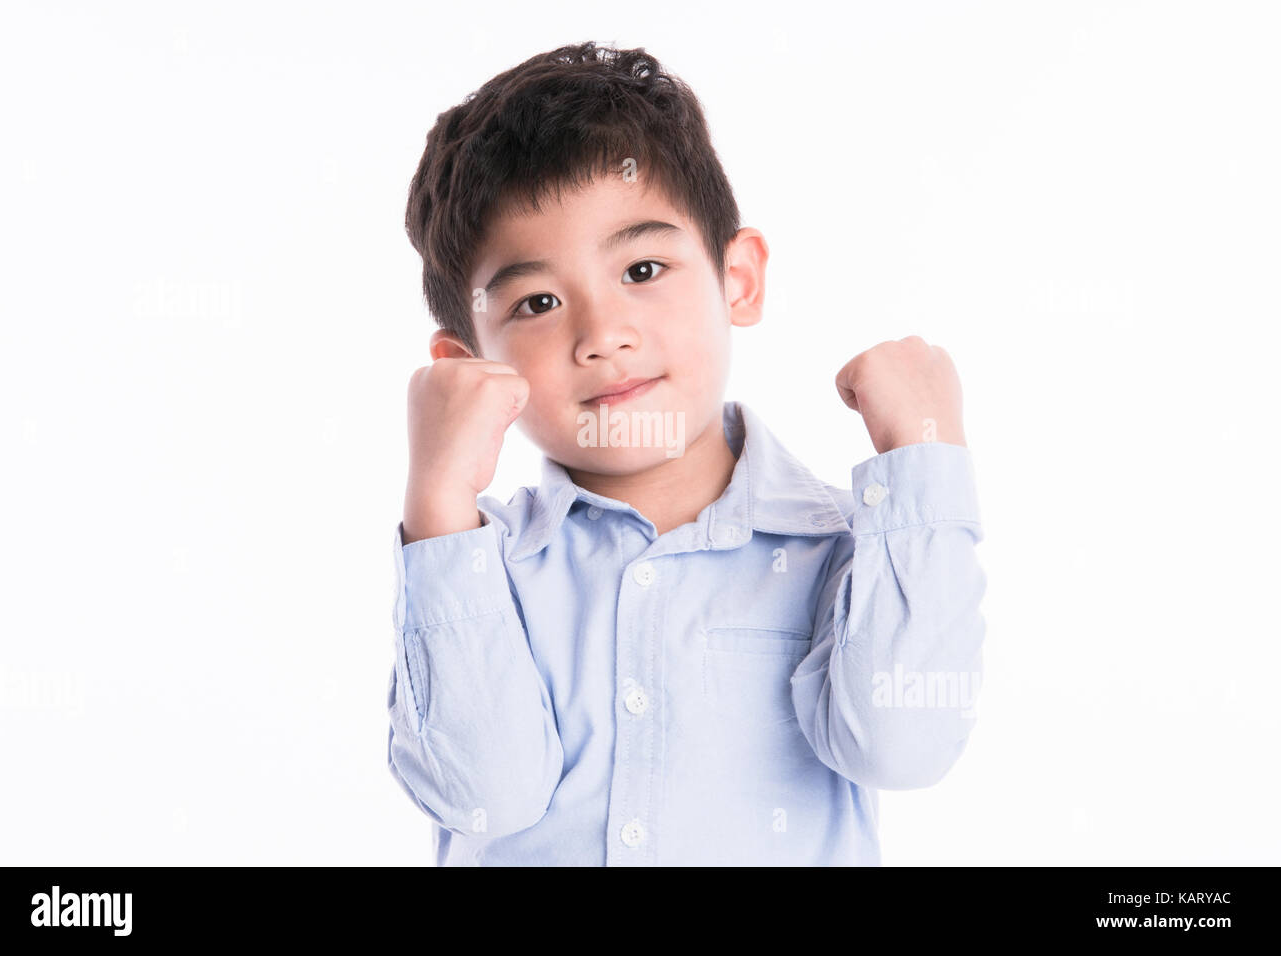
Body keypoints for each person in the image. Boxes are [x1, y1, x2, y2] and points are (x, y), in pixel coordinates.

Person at [388, 41, 985, 865]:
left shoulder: (845, 549)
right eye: (538, 301)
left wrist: (924, 460)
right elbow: (484, 794)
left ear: (736, 280)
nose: (603, 335)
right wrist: (440, 505)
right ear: (465, 369)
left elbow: (904, 746)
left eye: (642, 267)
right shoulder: (478, 568)